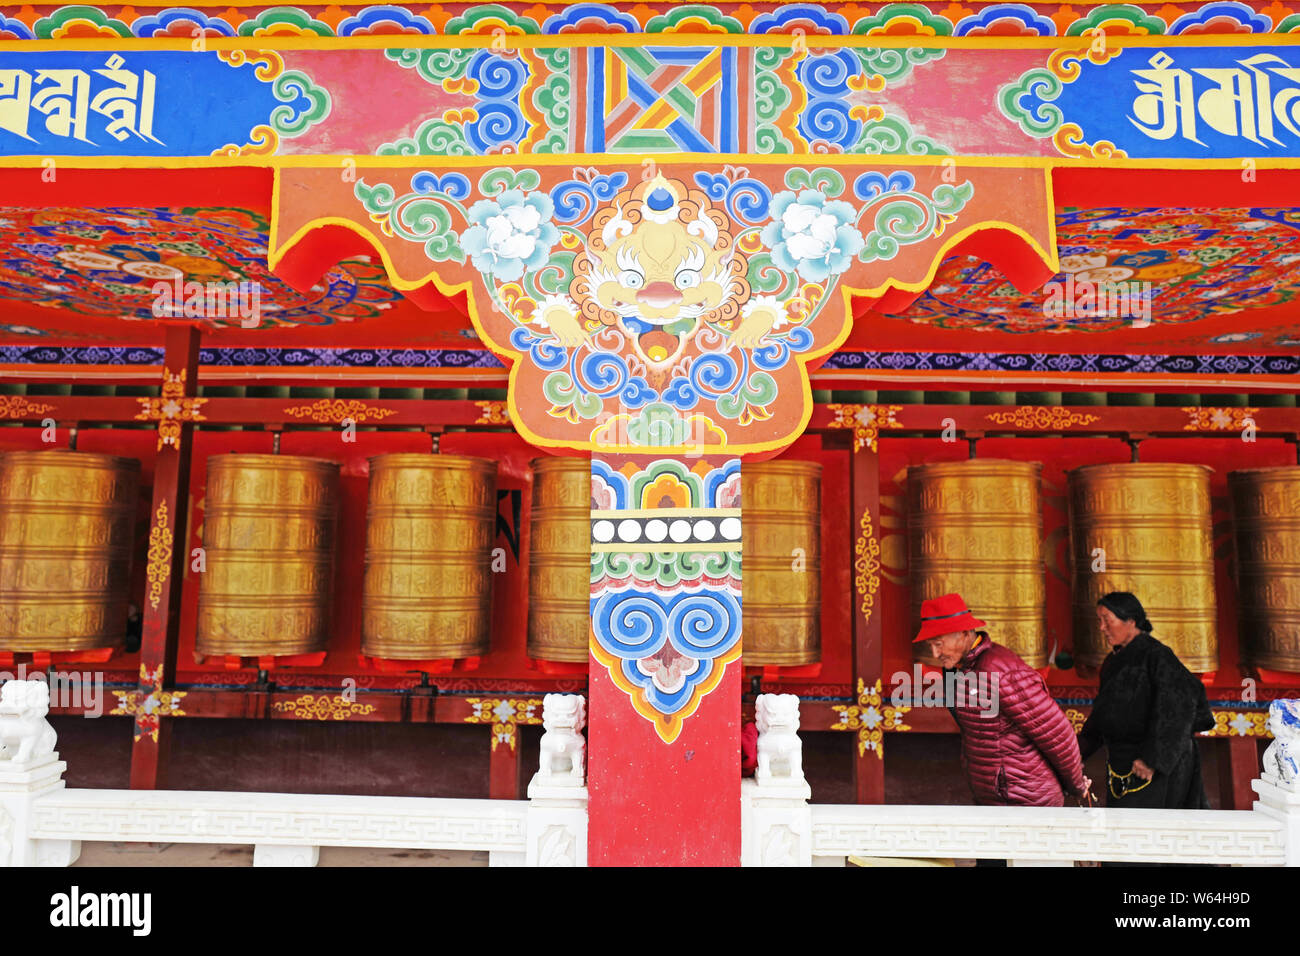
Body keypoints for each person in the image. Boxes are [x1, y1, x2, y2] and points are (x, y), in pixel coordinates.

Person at [915, 593, 1092, 818]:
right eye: (930, 645)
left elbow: (1057, 733)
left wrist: (1076, 784)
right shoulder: (962, 669)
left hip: (1026, 803)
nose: (934, 653)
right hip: (996, 801)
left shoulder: (1000, 671)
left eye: (939, 644)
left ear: (964, 633)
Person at [1077, 592, 1213, 811]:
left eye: (1107, 620)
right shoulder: (1113, 662)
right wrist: (1078, 752)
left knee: (1156, 830)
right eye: (1099, 621)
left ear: (1130, 621)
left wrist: (1153, 759)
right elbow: (1103, 715)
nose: (1102, 628)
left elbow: (1179, 707)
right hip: (1122, 763)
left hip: (1154, 766)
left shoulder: (1158, 656)